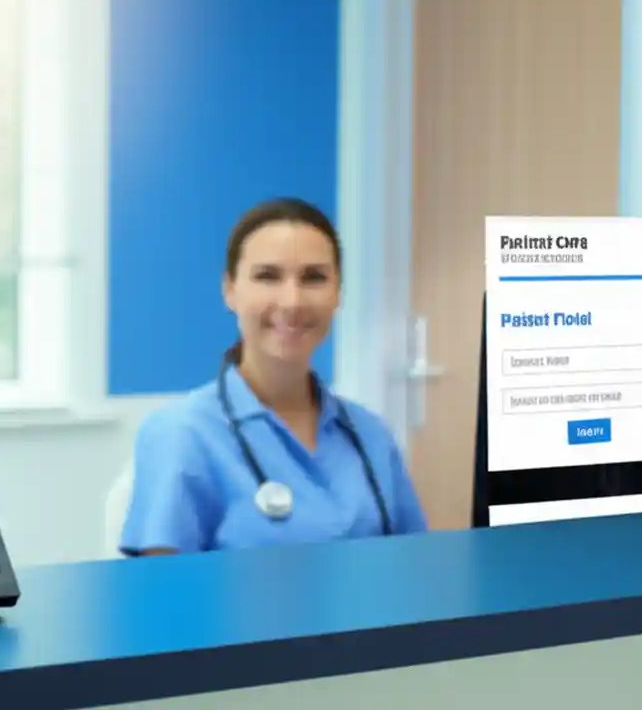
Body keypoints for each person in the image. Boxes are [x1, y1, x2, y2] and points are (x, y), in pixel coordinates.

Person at [119, 197, 428, 556]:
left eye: (314, 277)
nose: (292, 301)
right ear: (230, 290)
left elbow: (416, 565)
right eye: (267, 276)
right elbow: (162, 587)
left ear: (337, 293)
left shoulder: (370, 435)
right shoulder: (182, 435)